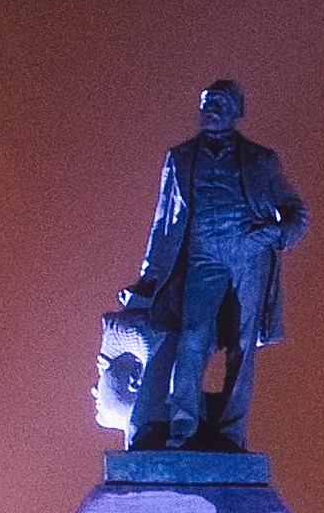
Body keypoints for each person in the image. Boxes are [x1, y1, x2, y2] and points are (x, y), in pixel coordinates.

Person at [124, 79, 306, 452]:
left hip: (248, 253)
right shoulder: (180, 158)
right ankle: (183, 423)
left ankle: (231, 431)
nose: (211, 109)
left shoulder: (261, 159)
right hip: (202, 254)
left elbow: (296, 212)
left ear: (238, 111)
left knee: (242, 346)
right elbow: (163, 223)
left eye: (221, 103)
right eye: (206, 102)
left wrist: (274, 233)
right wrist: (148, 276)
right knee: (192, 338)